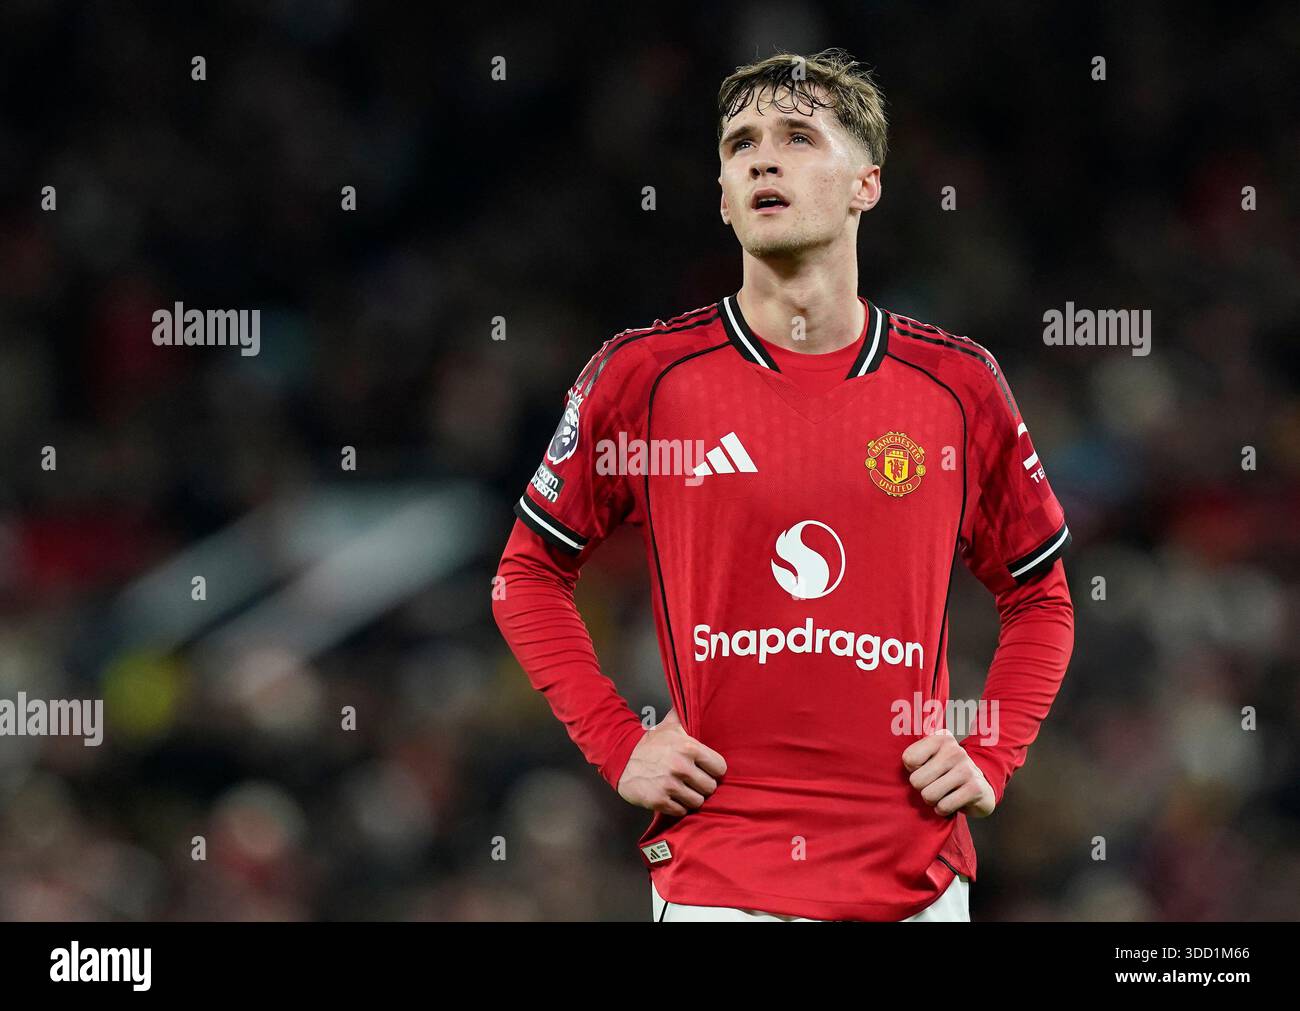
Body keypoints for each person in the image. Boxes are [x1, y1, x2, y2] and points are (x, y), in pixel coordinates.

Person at [492, 48, 1074, 922]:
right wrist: (617, 742)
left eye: (799, 137)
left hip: (912, 879)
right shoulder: (644, 377)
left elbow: (1042, 598)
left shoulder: (958, 387)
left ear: (866, 185)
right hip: (719, 880)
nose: (763, 159)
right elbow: (526, 575)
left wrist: (992, 750)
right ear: (725, 198)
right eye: (741, 144)